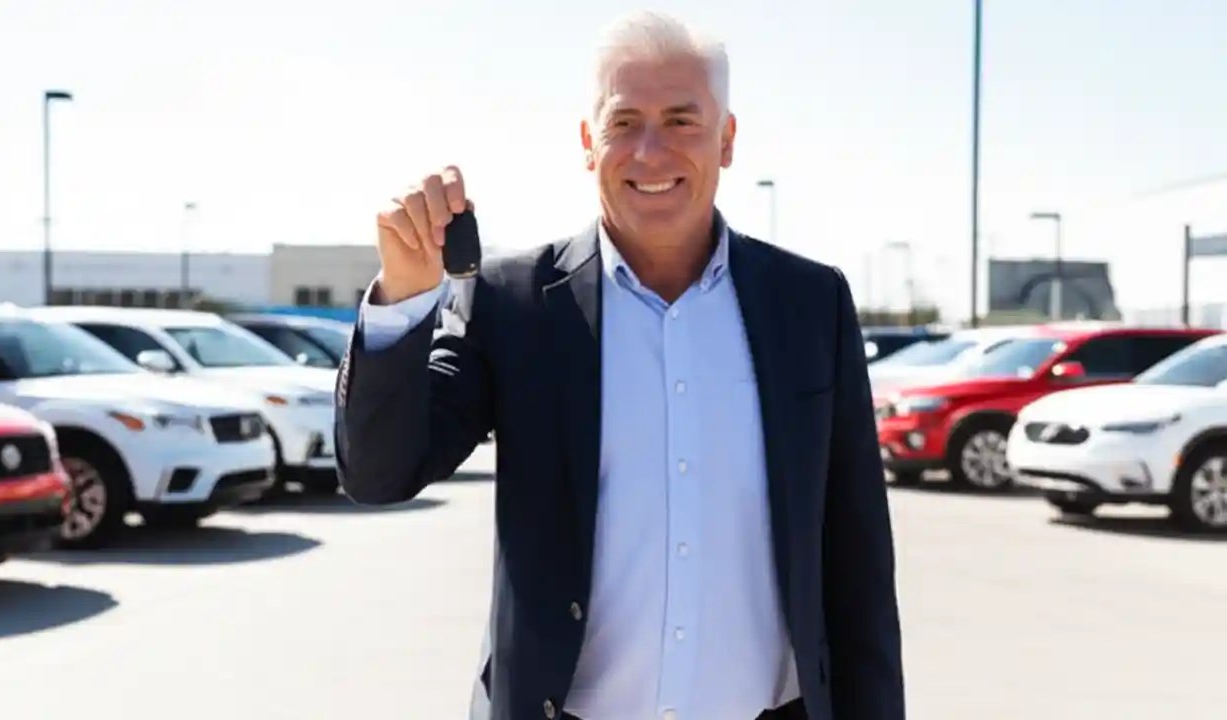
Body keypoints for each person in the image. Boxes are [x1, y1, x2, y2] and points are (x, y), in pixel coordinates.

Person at [335, 10, 905, 720]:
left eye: (681, 121)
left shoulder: (811, 304)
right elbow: (380, 473)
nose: (650, 152)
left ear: (727, 140)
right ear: (586, 142)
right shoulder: (513, 304)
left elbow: (857, 569)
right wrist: (404, 297)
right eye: (624, 121)